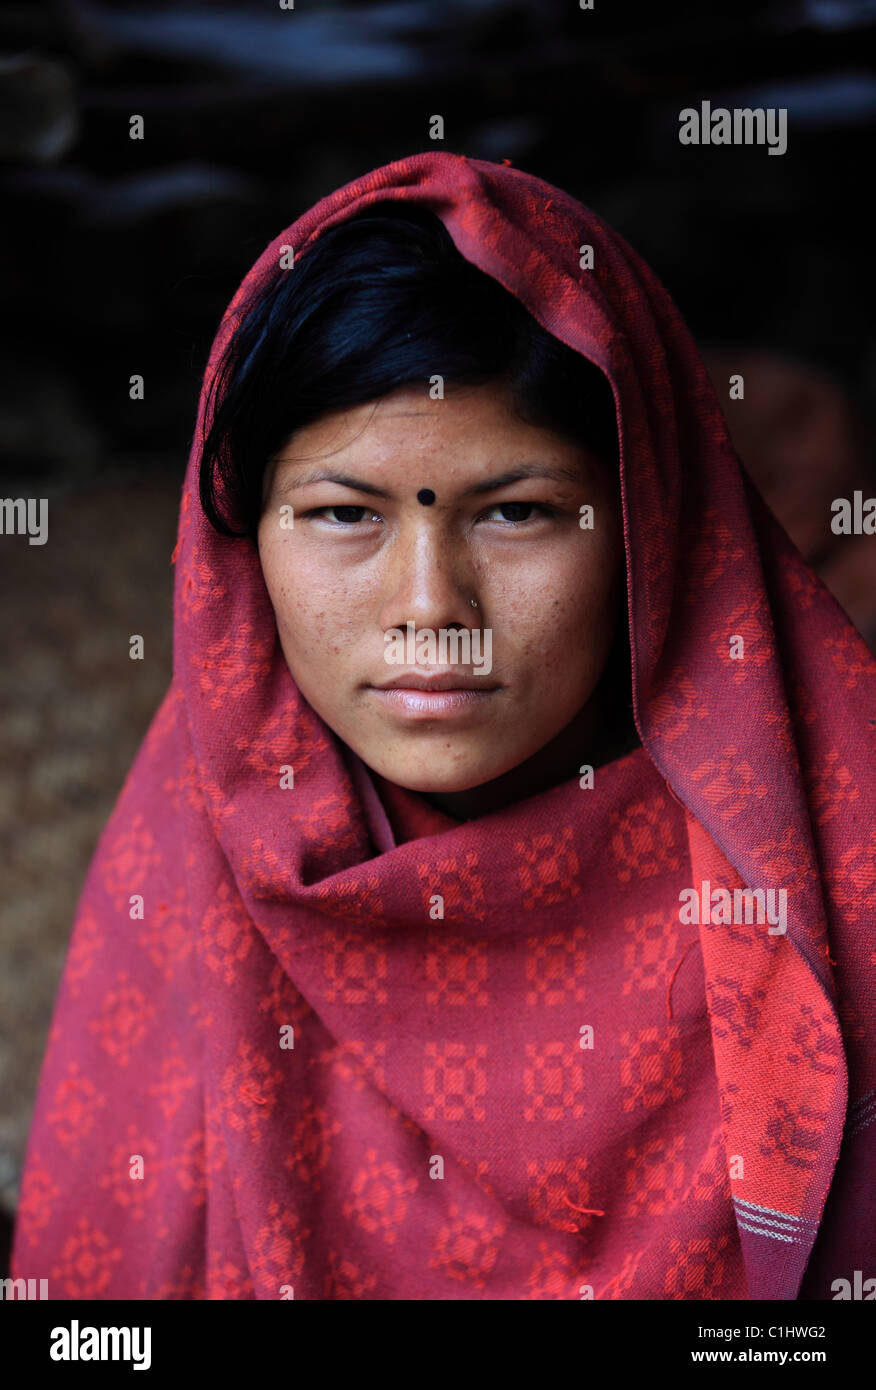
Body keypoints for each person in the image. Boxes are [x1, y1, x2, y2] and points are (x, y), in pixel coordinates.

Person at [12, 152, 874, 1300]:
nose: (430, 608)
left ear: (652, 525)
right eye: (342, 515)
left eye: (516, 512)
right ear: (240, 543)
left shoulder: (832, 848)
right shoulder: (209, 813)